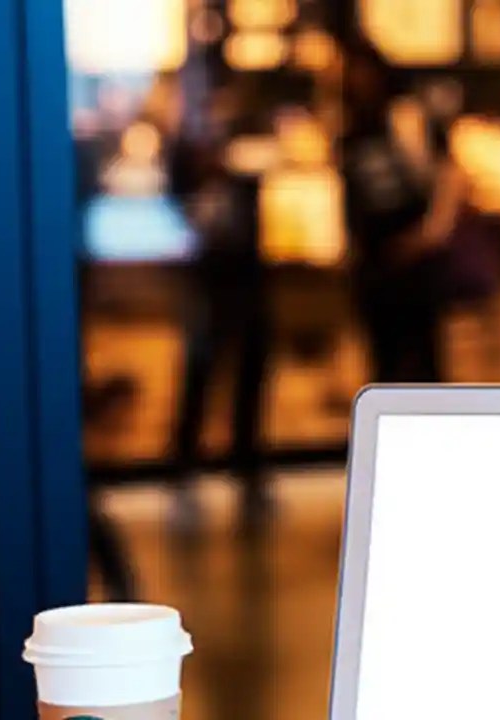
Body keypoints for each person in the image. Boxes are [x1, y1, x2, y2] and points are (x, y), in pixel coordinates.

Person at [167, 86, 271, 533]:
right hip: (209, 284)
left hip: (247, 282)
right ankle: (184, 466)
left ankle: (246, 467)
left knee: (248, 376)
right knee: (201, 375)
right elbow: (186, 219)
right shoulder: (186, 163)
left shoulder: (246, 160)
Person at [341, 40, 448, 383]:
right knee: (384, 363)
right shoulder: (349, 125)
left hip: (415, 253)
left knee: (424, 360)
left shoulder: (404, 116)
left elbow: (449, 172)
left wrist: (432, 229)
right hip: (373, 261)